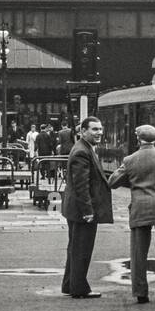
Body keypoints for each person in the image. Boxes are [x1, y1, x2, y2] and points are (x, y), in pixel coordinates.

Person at [108, 125, 155, 305]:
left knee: (138, 252)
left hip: (139, 208)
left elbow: (112, 182)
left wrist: (131, 178)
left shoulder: (129, 160)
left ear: (138, 139)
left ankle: (141, 293)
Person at [61, 116, 111, 299]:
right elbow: (81, 185)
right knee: (82, 249)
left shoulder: (84, 148)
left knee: (75, 247)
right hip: (81, 210)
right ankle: (80, 288)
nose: (99, 133)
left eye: (100, 129)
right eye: (94, 129)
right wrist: (88, 211)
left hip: (74, 208)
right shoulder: (82, 151)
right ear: (83, 131)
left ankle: (69, 284)